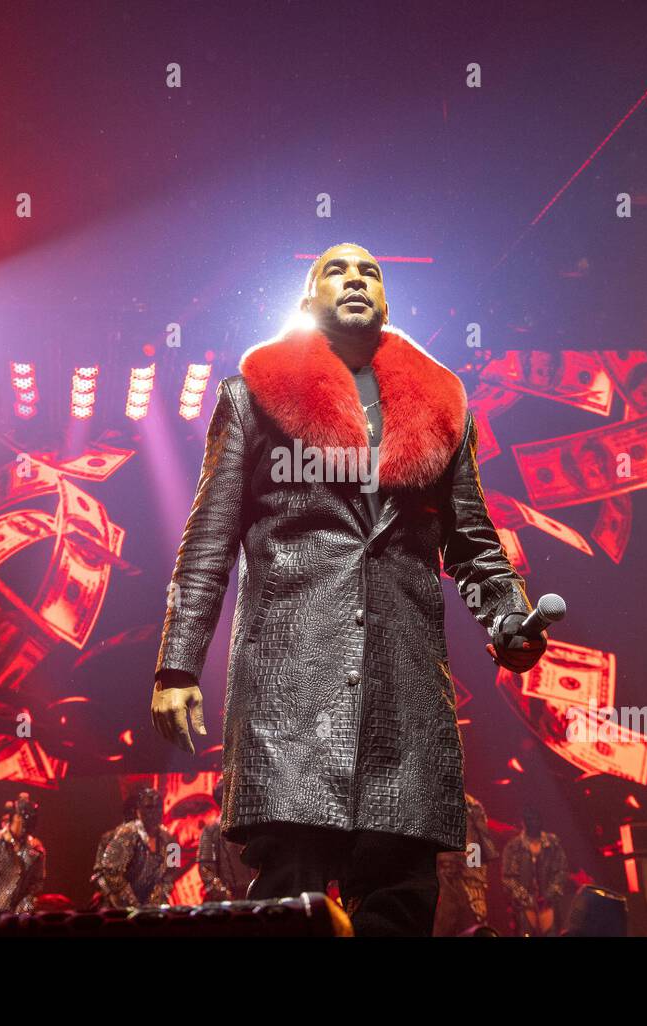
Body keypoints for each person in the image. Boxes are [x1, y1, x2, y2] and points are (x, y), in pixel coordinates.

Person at [151, 242, 548, 936]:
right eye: (336, 269)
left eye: (370, 271)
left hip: (405, 696)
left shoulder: (443, 406)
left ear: (387, 300)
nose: (356, 278)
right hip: (290, 689)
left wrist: (510, 619)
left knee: (401, 897)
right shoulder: (252, 396)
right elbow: (209, 536)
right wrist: (177, 664)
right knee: (288, 904)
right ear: (309, 300)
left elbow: (475, 541)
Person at [91, 786, 180, 908]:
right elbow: (111, 872)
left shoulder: (171, 840)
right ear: (138, 810)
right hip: (119, 907)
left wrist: (155, 901)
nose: (154, 812)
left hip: (153, 907)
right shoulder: (126, 833)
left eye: (158, 807)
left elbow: (170, 874)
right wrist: (132, 904)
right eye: (149, 807)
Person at [432, 793, 498, 936]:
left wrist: (476, 875)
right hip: (438, 877)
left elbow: (480, 846)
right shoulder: (429, 798)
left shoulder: (472, 806)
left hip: (467, 879)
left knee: (472, 927)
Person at [501, 806, 568, 937]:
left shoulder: (553, 844)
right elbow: (508, 878)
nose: (534, 822)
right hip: (525, 907)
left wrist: (550, 893)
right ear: (523, 822)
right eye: (530, 820)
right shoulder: (514, 847)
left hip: (548, 905)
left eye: (536, 819)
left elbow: (561, 870)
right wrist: (525, 898)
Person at [196, 778, 254, 902]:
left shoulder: (252, 826)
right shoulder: (211, 831)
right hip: (229, 898)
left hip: (254, 895)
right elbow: (206, 869)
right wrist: (224, 895)